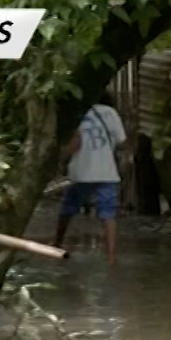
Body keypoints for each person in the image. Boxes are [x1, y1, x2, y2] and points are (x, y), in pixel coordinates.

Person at [53, 97, 129, 265]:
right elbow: (123, 142)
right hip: (107, 171)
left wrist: (62, 161)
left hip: (82, 171)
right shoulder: (111, 113)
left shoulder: (77, 114)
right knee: (108, 214)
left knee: (68, 209)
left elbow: (75, 143)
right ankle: (111, 256)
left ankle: (57, 244)